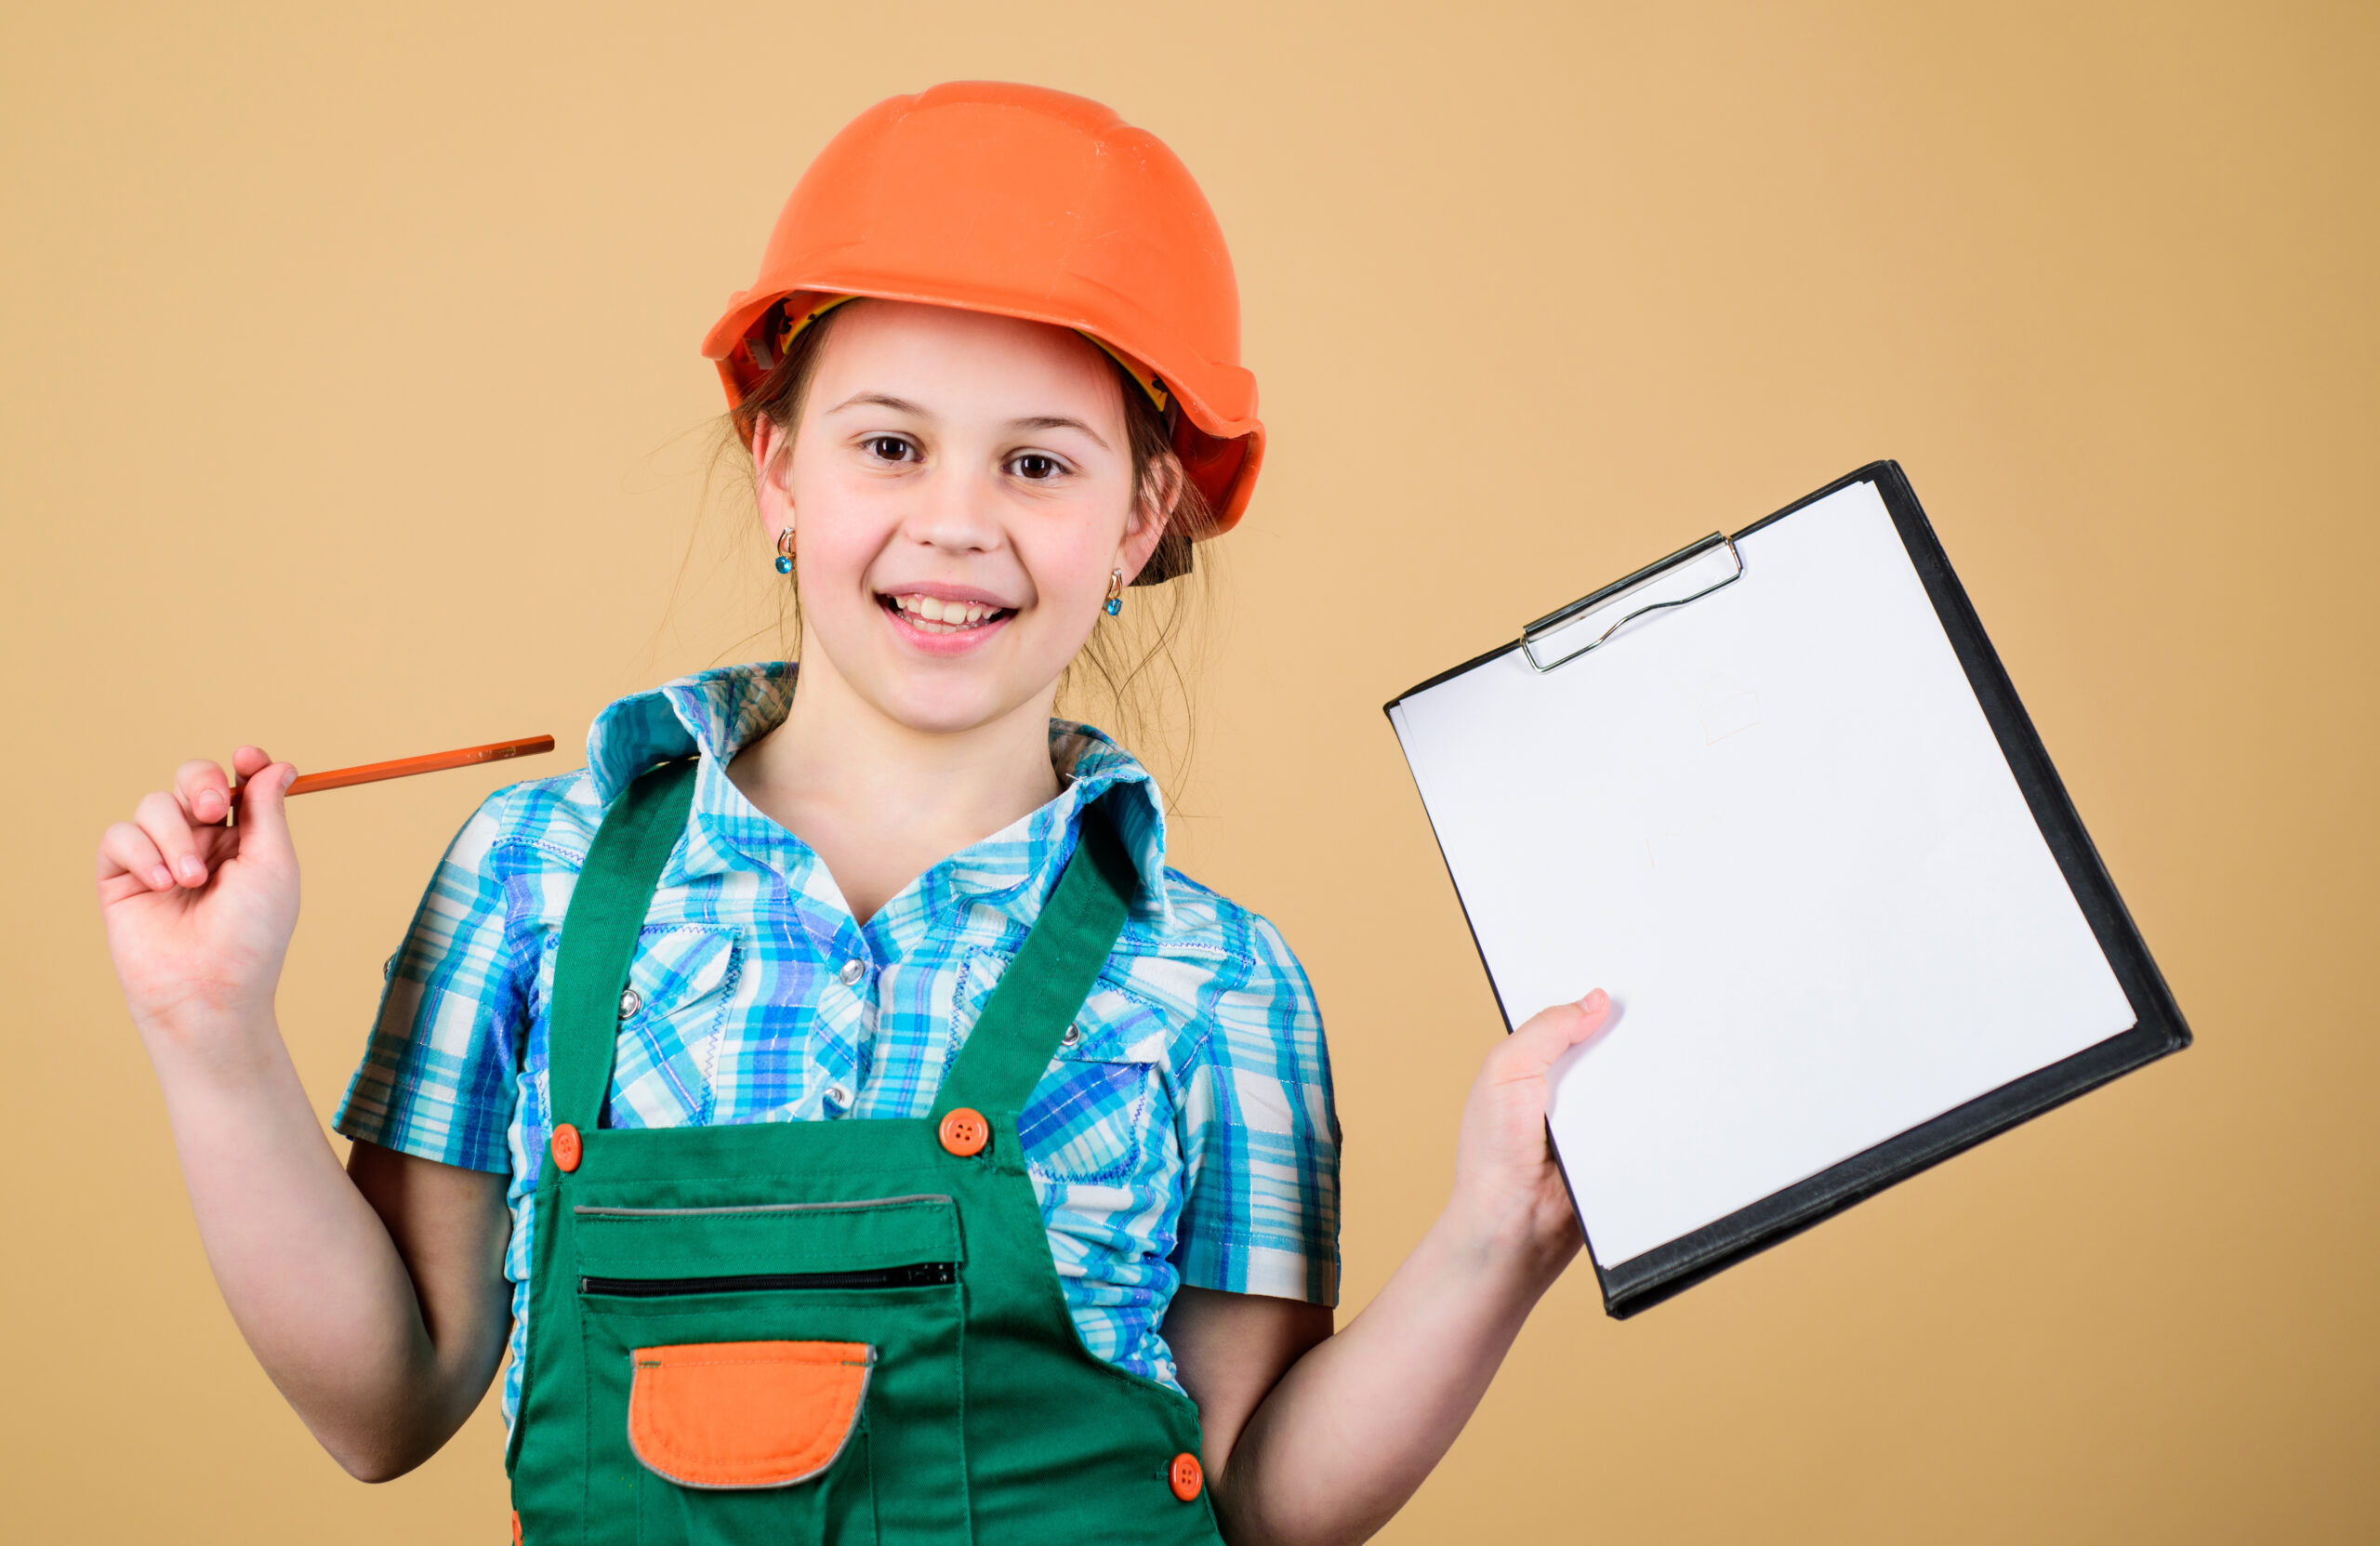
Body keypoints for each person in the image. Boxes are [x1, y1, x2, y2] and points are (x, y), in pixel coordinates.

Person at [95, 82, 1612, 1545]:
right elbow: (386, 1404)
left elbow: (1260, 1503)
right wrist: (210, 1034)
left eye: (1037, 463)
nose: (955, 519)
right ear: (778, 473)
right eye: (890, 444)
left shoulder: (1217, 983)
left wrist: (1496, 1237)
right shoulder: (534, 878)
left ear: (1140, 522)